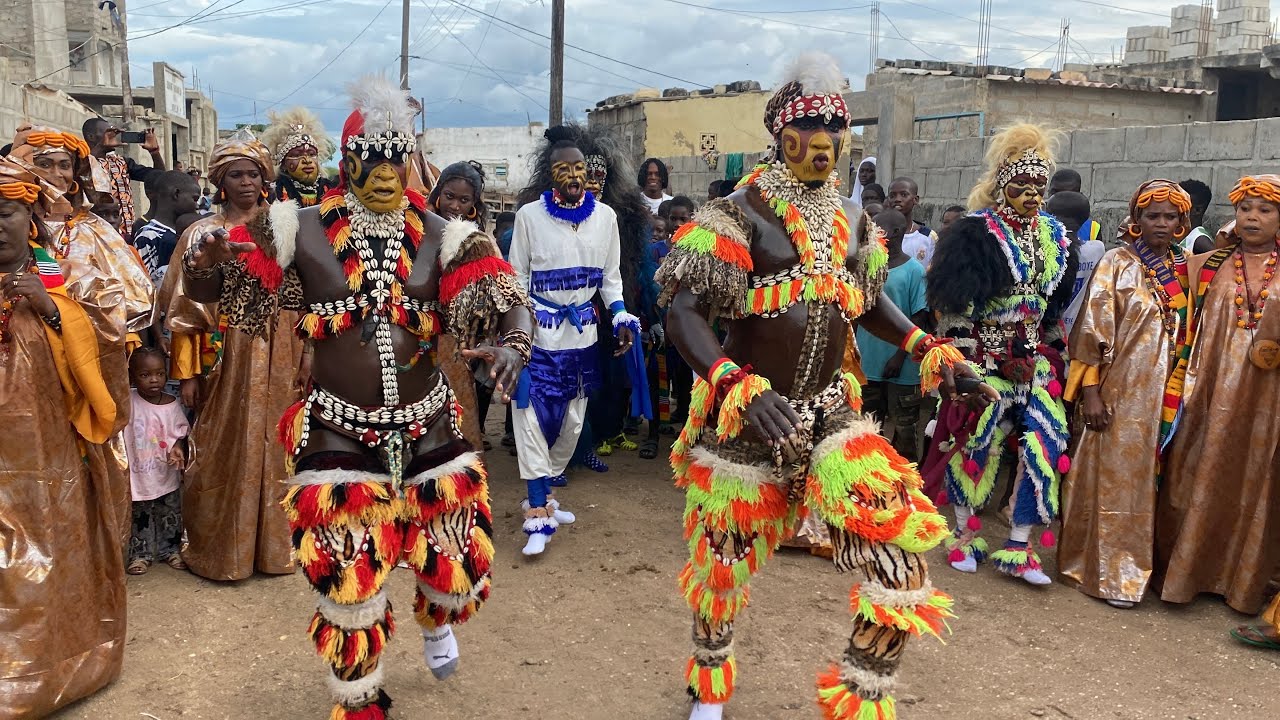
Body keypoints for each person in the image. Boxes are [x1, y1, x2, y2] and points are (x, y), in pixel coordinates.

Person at [658, 52, 987, 720]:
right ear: (779, 135)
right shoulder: (737, 214)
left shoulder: (854, 219)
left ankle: (862, 697)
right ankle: (711, 680)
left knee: (900, 558)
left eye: (835, 132)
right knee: (723, 567)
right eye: (807, 131)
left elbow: (864, 302)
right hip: (749, 417)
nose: (823, 145)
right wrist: (734, 385)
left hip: (834, 413)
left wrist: (928, 347)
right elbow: (681, 311)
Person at [197, 77, 530, 719]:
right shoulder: (297, 228)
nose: (384, 173)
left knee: (456, 570)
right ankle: (361, 701)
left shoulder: (449, 235)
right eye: (371, 160)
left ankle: (437, 618)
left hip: (429, 420)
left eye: (395, 160)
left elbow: (509, 304)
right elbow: (234, 300)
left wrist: (514, 341)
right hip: (337, 428)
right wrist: (212, 263)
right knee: (348, 584)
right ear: (345, 163)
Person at [0, 154, 129, 717]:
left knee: (48, 542)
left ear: (29, 218)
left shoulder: (68, 276)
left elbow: (110, 347)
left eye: (4, 213)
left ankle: (53, 664)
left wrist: (52, 311)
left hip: (51, 453)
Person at [926, 123, 1078, 586]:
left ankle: (1019, 544)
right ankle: (964, 535)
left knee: (1045, 443)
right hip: (985, 359)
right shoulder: (974, 234)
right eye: (1021, 187)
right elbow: (952, 308)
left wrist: (1052, 352)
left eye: (1039, 188)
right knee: (977, 441)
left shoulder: (1056, 236)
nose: (1032, 195)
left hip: (1034, 360)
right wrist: (965, 364)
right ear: (1001, 187)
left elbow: (1052, 306)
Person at [161, 128, 305, 581]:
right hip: (224, 355)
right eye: (235, 174)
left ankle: (278, 549)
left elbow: (312, 298)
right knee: (221, 444)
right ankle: (223, 551)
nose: (246, 182)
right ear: (221, 180)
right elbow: (183, 309)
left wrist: (309, 353)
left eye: (253, 174)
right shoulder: (203, 233)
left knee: (284, 443)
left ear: (265, 178)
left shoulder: (289, 226)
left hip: (284, 349)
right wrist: (187, 372)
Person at [509, 124, 646, 555]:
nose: (572, 176)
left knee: (571, 422)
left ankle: (547, 492)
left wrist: (621, 313)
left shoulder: (605, 218)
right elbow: (516, 278)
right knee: (530, 420)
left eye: (579, 168)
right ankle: (537, 515)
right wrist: (517, 328)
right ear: (550, 174)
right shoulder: (529, 216)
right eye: (562, 168)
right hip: (538, 336)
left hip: (583, 335)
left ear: (589, 173)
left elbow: (611, 279)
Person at [1058, 180, 1194, 609]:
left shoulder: (1188, 266)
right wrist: (1092, 393)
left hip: (1172, 395)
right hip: (1122, 394)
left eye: (1169, 217)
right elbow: (1091, 333)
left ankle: (1155, 569)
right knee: (1119, 483)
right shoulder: (1117, 262)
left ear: (1182, 223)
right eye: (1151, 215)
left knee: (1163, 483)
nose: (1160, 223)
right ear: (1135, 220)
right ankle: (1113, 573)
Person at [1156, 174, 1280, 619]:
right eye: (1246, 208)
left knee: (1257, 479)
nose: (1253, 217)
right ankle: (1187, 574)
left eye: (1265, 210)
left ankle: (1243, 583)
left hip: (1269, 402)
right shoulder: (1205, 265)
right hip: (1207, 391)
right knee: (1198, 470)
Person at [857, 208, 930, 462]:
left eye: (878, 229)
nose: (872, 234)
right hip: (868, 363)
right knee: (866, 429)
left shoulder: (914, 271)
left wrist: (899, 357)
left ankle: (907, 485)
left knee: (905, 430)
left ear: (897, 232)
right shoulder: (864, 268)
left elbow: (919, 318)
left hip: (904, 367)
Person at [123, 346, 191, 575]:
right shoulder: (128, 401)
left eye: (160, 374)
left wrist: (179, 448)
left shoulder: (172, 405)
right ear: (132, 376)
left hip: (165, 474)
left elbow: (181, 435)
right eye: (145, 375)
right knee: (139, 517)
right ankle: (140, 555)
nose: (154, 380)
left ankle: (170, 550)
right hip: (138, 476)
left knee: (170, 514)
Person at [82, 118, 166, 238]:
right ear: (91, 136)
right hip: (95, 234)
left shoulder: (121, 162)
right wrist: (100, 147)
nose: (113, 136)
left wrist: (154, 152)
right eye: (108, 132)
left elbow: (159, 177)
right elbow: (81, 172)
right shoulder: (80, 160)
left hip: (126, 234)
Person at [1045, 191, 1106, 335]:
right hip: (1082, 332)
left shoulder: (1043, 251)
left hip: (1049, 332)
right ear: (1086, 219)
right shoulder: (1097, 249)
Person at [134, 170, 201, 289]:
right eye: (194, 199)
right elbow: (145, 284)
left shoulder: (188, 230)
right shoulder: (149, 236)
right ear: (176, 194)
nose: (196, 205)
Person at [260, 107, 335, 208]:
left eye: (311, 154)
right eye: (296, 155)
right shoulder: (273, 193)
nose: (307, 161)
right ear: (283, 164)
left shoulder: (332, 190)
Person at [888, 176, 937, 268]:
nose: (897, 199)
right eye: (892, 196)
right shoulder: (881, 235)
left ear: (916, 199)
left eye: (904, 195)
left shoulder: (928, 236)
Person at [1179, 179, 1214, 254]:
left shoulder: (1199, 239)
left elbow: (1218, 259)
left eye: (1182, 204)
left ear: (1197, 210)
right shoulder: (1189, 236)